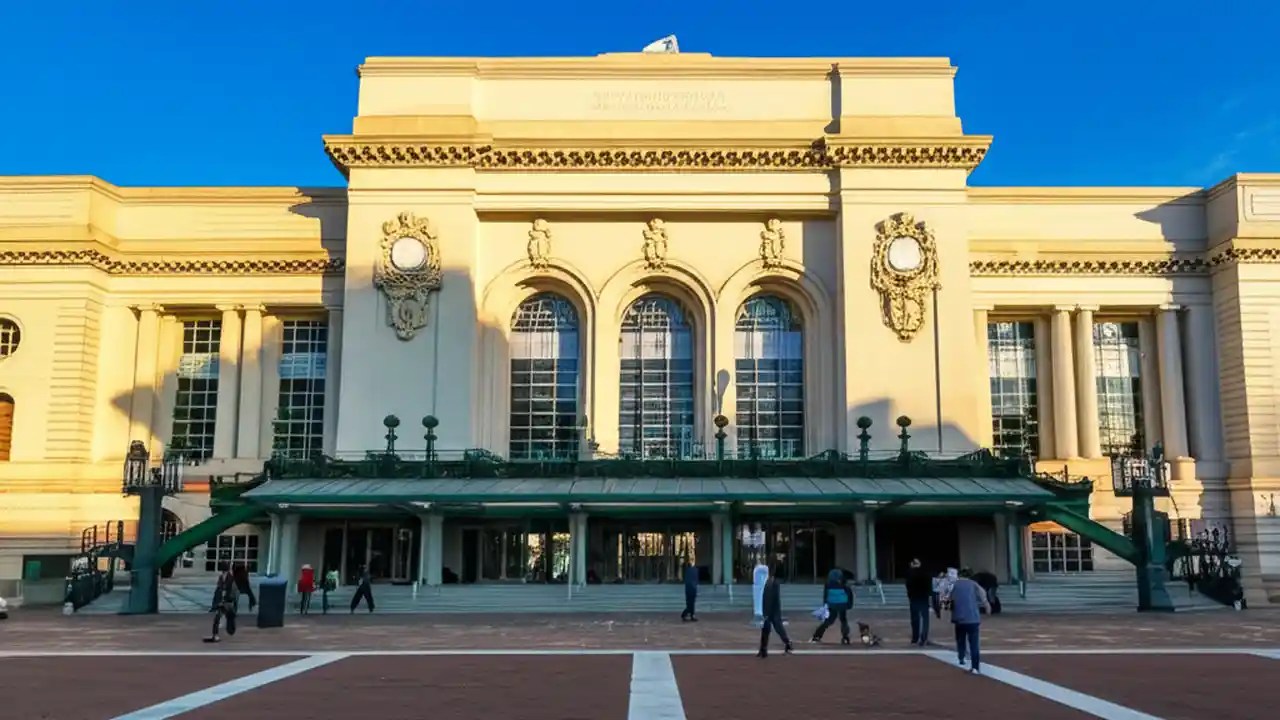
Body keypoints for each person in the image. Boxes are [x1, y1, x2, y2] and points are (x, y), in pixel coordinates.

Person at [950, 568, 991, 674]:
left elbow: (948, 600)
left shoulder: (954, 585)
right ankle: (975, 667)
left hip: (959, 618)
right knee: (974, 644)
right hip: (973, 618)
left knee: (960, 639)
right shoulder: (974, 585)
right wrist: (987, 607)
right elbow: (983, 597)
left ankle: (961, 657)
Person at [758, 563, 794, 658]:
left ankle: (764, 649)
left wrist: (766, 611)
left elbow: (769, 598)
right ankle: (763, 649)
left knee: (772, 628)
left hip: (771, 609)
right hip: (772, 609)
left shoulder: (772, 583)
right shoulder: (771, 582)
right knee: (771, 628)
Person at [810, 567, 852, 644]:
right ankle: (845, 637)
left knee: (828, 621)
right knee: (843, 620)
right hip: (842, 604)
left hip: (832, 604)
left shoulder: (828, 584)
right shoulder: (844, 584)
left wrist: (825, 604)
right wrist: (849, 604)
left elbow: (825, 595)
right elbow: (849, 594)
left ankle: (817, 635)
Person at [204, 563, 238, 643]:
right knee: (217, 617)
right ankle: (215, 635)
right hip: (221, 602)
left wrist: (226, 600)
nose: (223, 574)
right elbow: (218, 590)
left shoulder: (232, 579)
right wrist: (217, 603)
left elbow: (233, 593)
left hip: (228, 602)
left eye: (224, 572)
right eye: (223, 572)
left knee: (229, 618)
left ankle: (229, 628)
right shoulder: (221, 578)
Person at [905, 559, 933, 646]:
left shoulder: (910, 574)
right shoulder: (926, 573)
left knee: (915, 619)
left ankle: (915, 638)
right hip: (924, 598)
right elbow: (929, 586)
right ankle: (924, 638)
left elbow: (908, 585)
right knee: (925, 619)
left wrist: (910, 595)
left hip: (914, 598)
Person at [680, 557, 699, 622]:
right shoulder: (693, 571)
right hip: (692, 589)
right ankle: (687, 614)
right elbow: (695, 580)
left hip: (689, 589)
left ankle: (691, 615)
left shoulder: (688, 571)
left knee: (690, 604)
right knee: (691, 604)